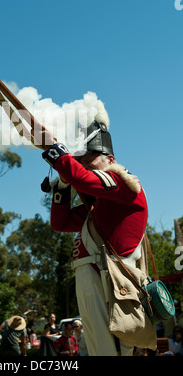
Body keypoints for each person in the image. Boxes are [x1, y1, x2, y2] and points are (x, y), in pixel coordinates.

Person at [39, 108, 152, 356]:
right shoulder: (99, 206)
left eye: (90, 161)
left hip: (110, 281)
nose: (85, 167)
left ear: (110, 160)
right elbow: (61, 222)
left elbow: (85, 180)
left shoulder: (125, 182)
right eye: (81, 163)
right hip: (93, 278)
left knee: (111, 351)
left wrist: (58, 152)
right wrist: (64, 184)